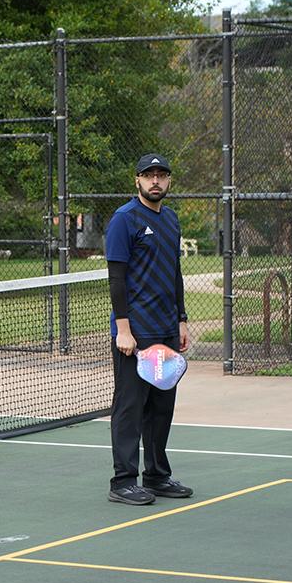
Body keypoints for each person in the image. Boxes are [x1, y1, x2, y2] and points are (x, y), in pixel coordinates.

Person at [104, 153, 193, 505]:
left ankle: (156, 475)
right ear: (137, 180)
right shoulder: (124, 220)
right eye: (148, 175)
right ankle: (123, 481)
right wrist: (123, 330)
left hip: (166, 329)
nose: (155, 181)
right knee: (129, 406)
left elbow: (174, 274)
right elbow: (116, 278)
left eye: (161, 175)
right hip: (135, 333)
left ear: (168, 180)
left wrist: (181, 319)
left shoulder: (171, 220)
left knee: (161, 407)